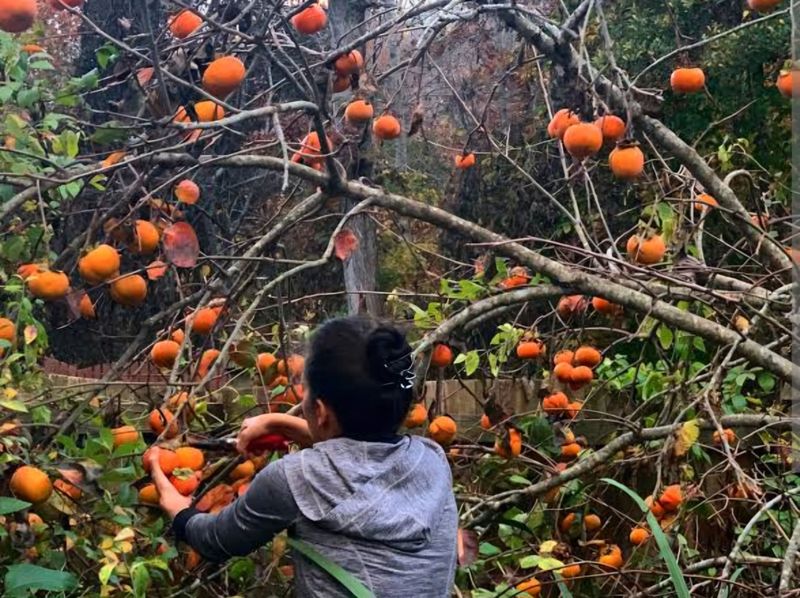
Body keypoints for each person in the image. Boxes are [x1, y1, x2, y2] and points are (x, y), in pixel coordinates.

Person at [147, 316, 458, 597]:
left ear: (320, 412)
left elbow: (214, 540)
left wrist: (175, 505)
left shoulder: (295, 479)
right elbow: (358, 452)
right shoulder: (433, 461)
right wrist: (278, 422)